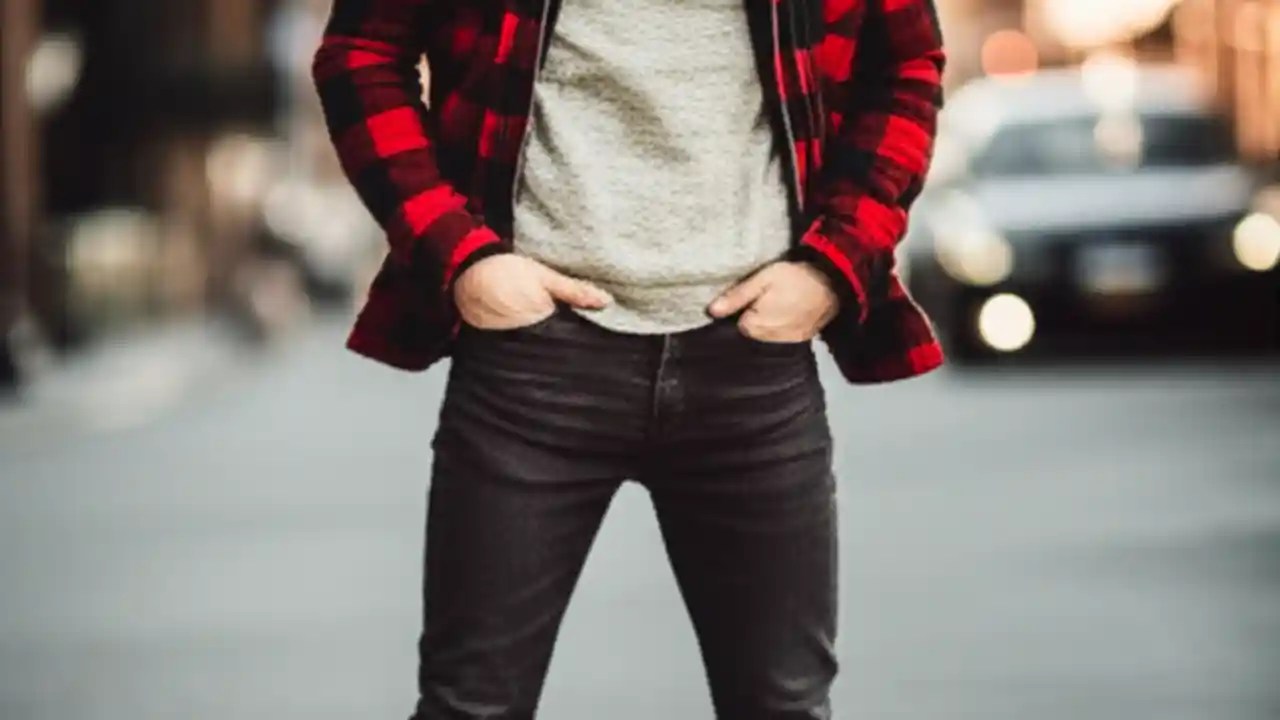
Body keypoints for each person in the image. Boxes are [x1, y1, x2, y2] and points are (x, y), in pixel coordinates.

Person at [311, 0, 946, 716]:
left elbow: (904, 67)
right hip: (533, 366)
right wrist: (459, 254)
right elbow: (360, 54)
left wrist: (834, 266)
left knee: (784, 707)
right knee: (471, 707)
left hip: (752, 365)